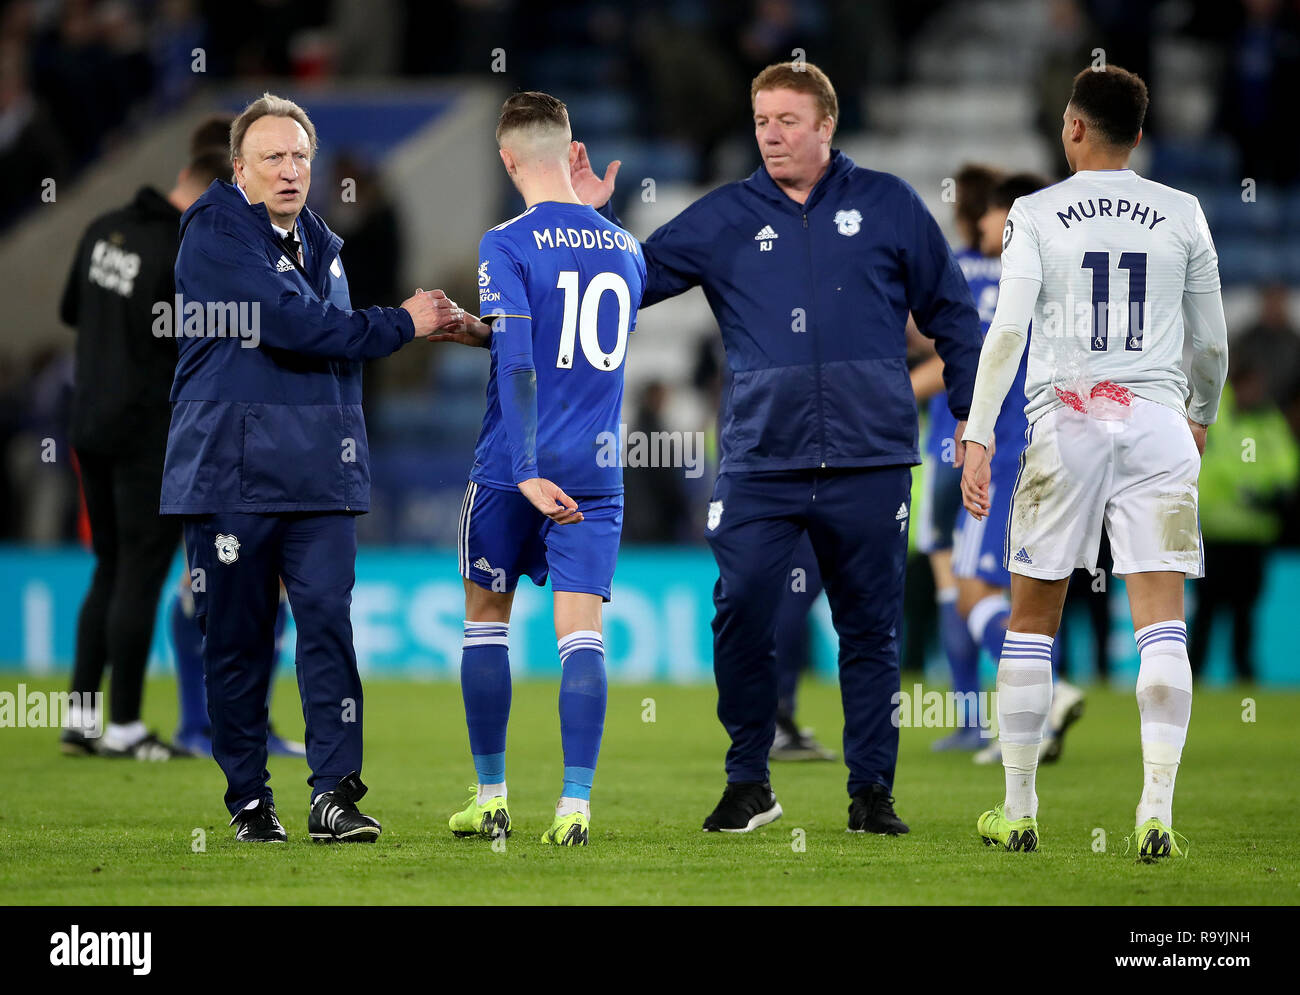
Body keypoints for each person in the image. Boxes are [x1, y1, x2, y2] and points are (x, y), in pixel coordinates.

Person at [573, 61, 982, 834]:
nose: (771, 133)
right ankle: (749, 778)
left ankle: (871, 794)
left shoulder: (889, 205)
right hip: (761, 458)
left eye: (787, 120)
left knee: (869, 628)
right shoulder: (723, 213)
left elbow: (955, 316)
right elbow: (627, 280)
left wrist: (970, 419)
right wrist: (592, 223)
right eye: (761, 120)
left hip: (871, 456)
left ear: (826, 125)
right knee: (742, 607)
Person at [161, 92, 466, 843]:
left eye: (300, 156)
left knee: (328, 625)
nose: (291, 170)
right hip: (230, 472)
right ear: (238, 169)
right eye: (272, 157)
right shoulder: (214, 234)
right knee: (238, 637)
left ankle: (333, 792)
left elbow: (326, 346)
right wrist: (402, 323)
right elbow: (294, 327)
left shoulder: (324, 244)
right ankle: (248, 800)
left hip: (318, 475)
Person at [960, 65, 1228, 859]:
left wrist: (977, 431)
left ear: (1074, 128)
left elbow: (1007, 332)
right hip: (1155, 423)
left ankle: (1017, 811)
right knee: (1160, 623)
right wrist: (1200, 417)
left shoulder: (1036, 213)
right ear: (1138, 136)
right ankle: (1155, 813)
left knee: (1031, 623)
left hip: (1066, 425)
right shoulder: (1183, 211)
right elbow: (1210, 340)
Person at [441, 92, 645, 848]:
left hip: (510, 466)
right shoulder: (629, 249)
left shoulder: (505, 241)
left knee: (485, 622)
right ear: (571, 150)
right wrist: (477, 328)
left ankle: (491, 797)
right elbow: (578, 344)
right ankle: (574, 807)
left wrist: (524, 468)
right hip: (593, 468)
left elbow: (526, 359)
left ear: (506, 158)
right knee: (581, 636)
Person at [58, 137, 232, 760]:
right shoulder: (181, 250)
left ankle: (80, 717)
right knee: (140, 572)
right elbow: (197, 347)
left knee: (108, 567)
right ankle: (126, 724)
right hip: (148, 435)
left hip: (88, 423)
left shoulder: (103, 228)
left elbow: (71, 311)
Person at [955, 173, 1087, 766]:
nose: (983, 224)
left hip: (1008, 453)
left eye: (991, 215)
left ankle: (1045, 703)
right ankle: (1034, 722)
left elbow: (986, 353)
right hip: (1059, 452)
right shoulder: (1066, 285)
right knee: (1027, 597)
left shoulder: (1009, 288)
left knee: (975, 591)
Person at [910, 163, 1002, 752]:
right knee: (1020, 586)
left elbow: (939, 348)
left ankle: (975, 717)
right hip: (1024, 448)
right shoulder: (1029, 273)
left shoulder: (957, 272)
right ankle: (1038, 697)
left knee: (953, 581)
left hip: (956, 446)